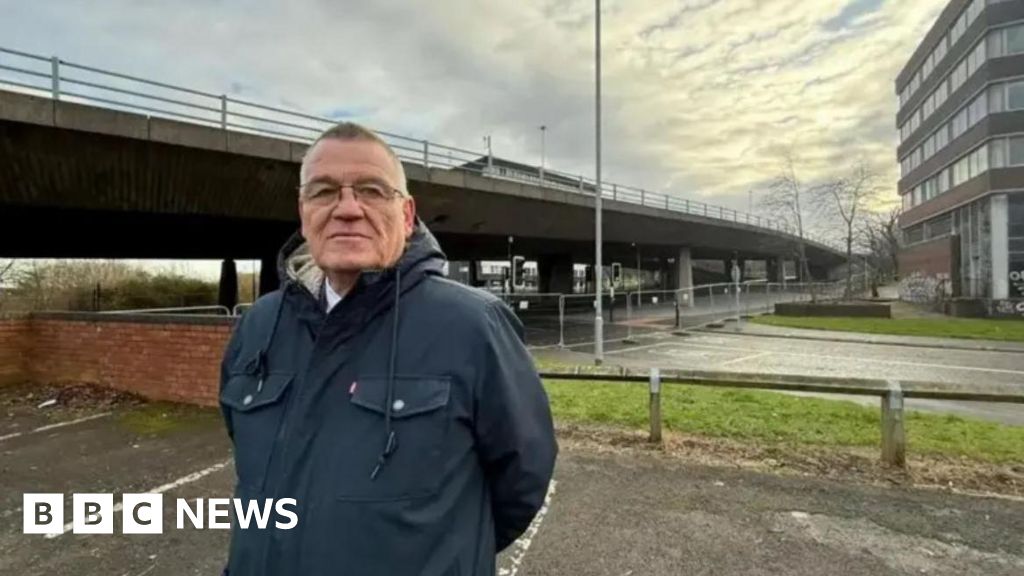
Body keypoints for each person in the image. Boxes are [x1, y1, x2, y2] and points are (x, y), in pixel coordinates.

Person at [218, 122, 558, 576]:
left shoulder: (473, 326)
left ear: (406, 213)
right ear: (303, 212)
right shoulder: (259, 325)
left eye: (372, 190)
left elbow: (521, 481)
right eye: (323, 192)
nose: (347, 209)